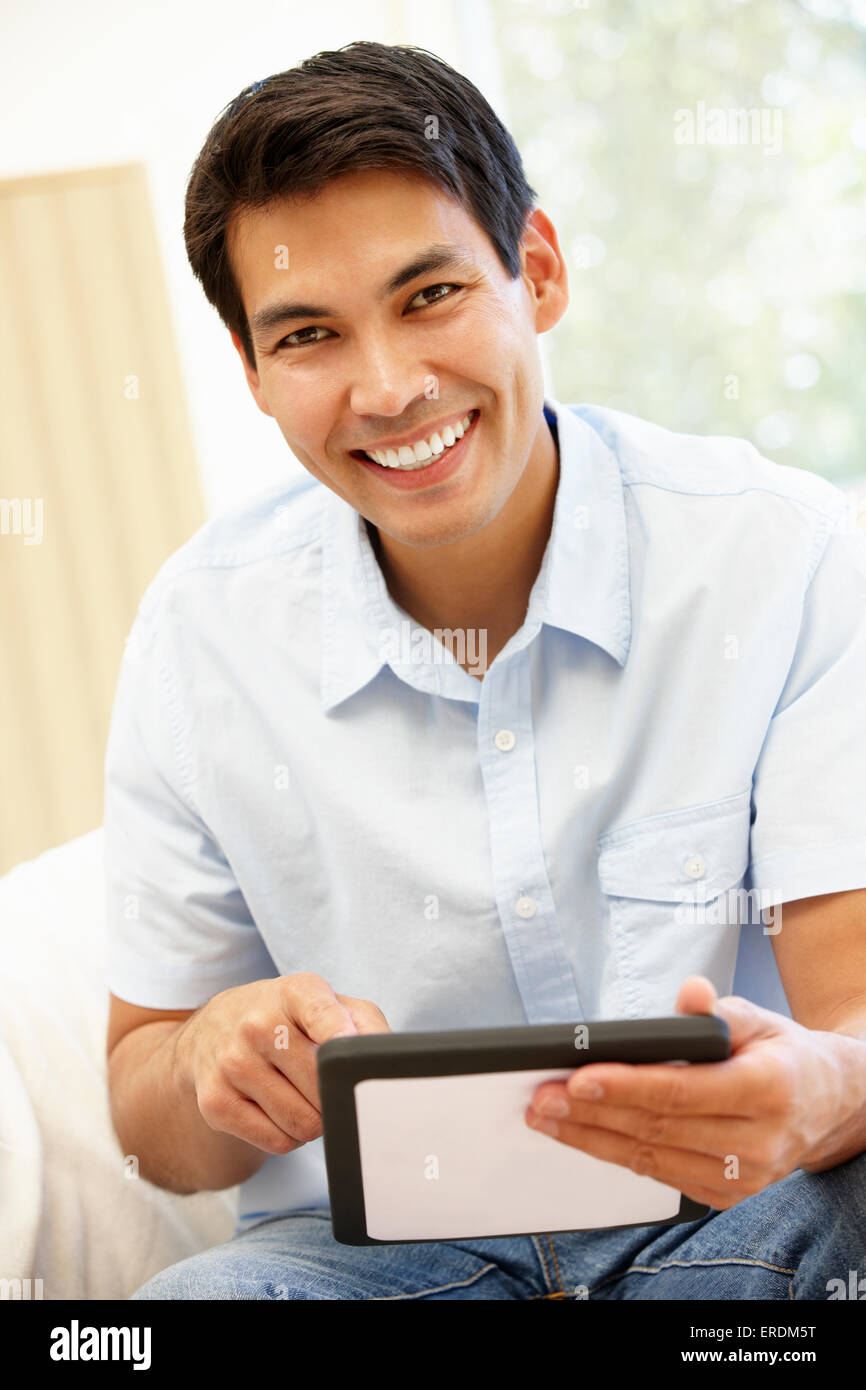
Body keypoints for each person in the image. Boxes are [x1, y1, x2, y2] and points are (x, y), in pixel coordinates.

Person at [104, 41, 866, 1300]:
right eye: (308, 334)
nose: (391, 389)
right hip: (377, 1259)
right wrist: (201, 1065)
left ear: (540, 273)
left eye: (429, 296)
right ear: (251, 371)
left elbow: (851, 1020)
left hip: (743, 1216)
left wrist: (820, 1096)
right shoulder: (198, 638)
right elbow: (147, 1121)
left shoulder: (774, 552)